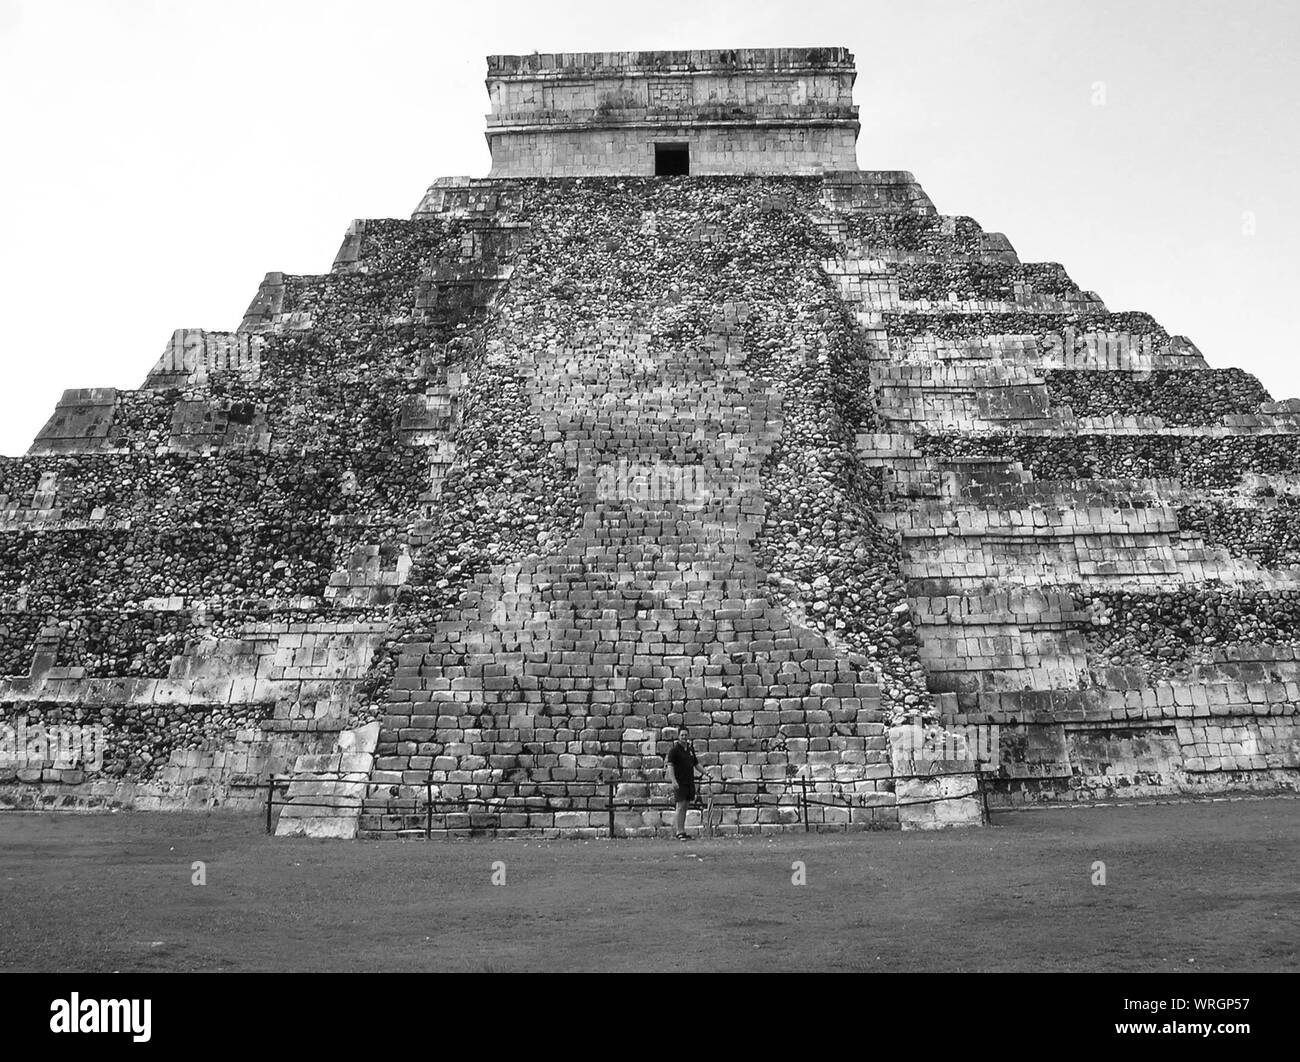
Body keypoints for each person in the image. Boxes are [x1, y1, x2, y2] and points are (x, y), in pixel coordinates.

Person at [664, 726, 698, 840]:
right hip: (680, 783)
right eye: (682, 735)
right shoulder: (674, 751)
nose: (684, 737)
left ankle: (683, 831)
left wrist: (706, 773)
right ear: (678, 736)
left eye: (686, 735)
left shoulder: (690, 749)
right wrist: (673, 781)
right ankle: (678, 832)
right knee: (679, 806)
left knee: (685, 807)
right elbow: (670, 766)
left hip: (689, 782)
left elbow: (696, 764)